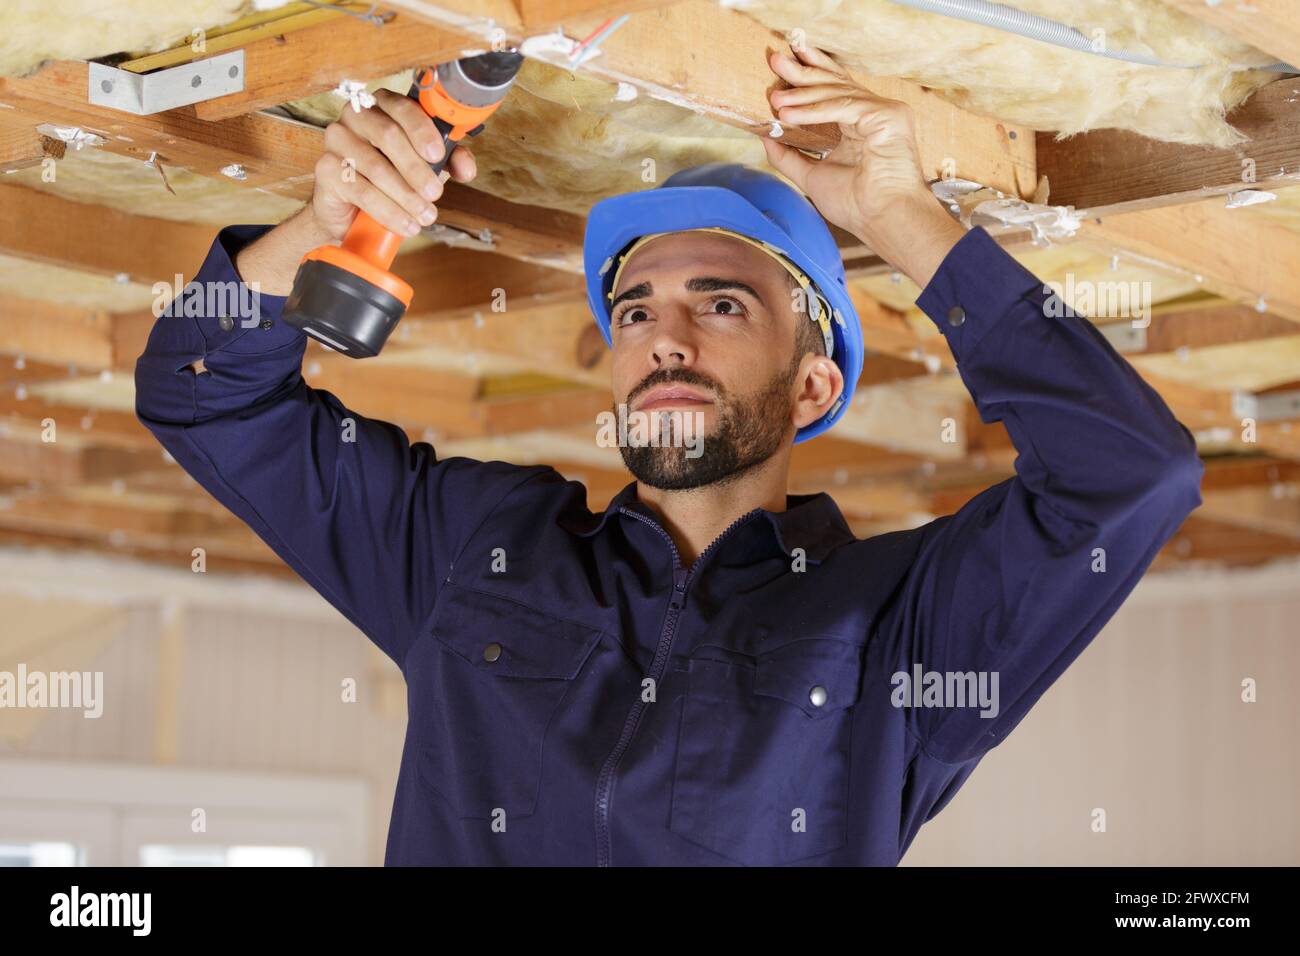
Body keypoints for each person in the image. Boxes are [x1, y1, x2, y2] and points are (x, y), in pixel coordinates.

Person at [134, 44, 1203, 865]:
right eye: (636, 309)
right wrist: (312, 230)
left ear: (815, 384)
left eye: (721, 302)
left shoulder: (895, 632)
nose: (664, 338)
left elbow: (1127, 474)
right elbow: (201, 395)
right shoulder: (475, 550)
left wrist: (899, 212)